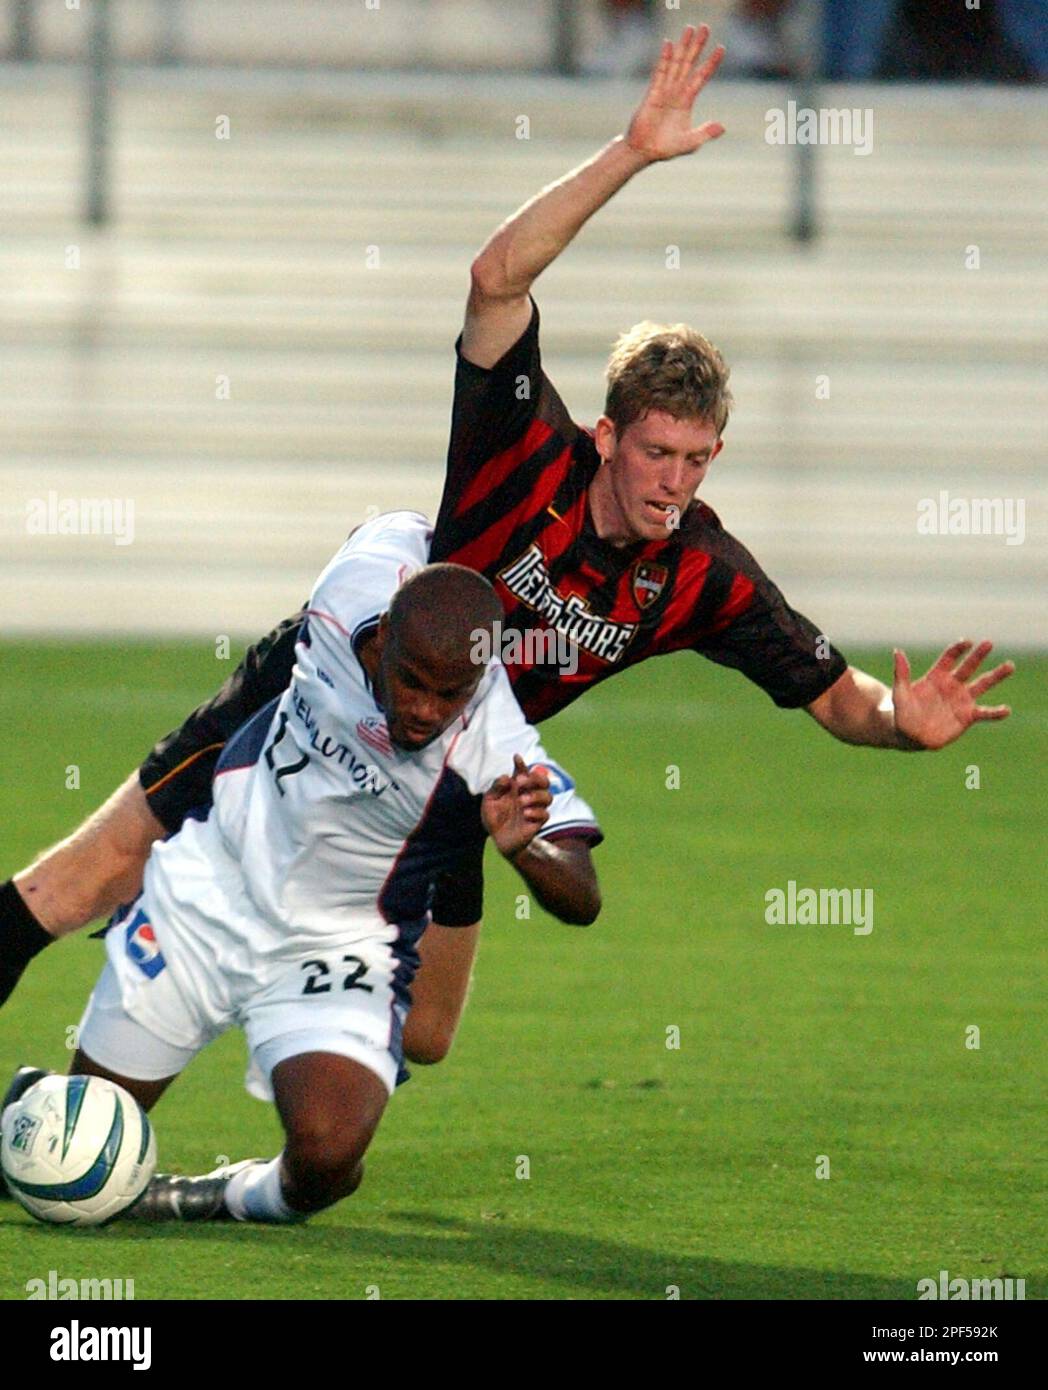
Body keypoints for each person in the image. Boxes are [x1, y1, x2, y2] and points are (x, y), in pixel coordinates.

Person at [0, 24, 1014, 1070]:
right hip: (335, 701)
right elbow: (494, 278)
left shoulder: (701, 573)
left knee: (428, 1037)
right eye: (657, 451)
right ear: (606, 435)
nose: (675, 479)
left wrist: (901, 720)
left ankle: (236, 1079)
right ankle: (164, 975)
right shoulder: (520, 449)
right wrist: (632, 153)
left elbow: (835, 696)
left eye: (698, 459)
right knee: (87, 872)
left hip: (453, 775)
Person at [7, 513, 602, 1223]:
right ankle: (28, 1111)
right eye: (411, 682)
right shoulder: (347, 591)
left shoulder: (495, 742)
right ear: (381, 639)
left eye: (451, 695)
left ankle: (219, 1198)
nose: (423, 710)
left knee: (327, 1157)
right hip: (208, 893)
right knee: (82, 1145)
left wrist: (524, 849)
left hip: (337, 940)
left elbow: (583, 897)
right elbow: (397, 524)